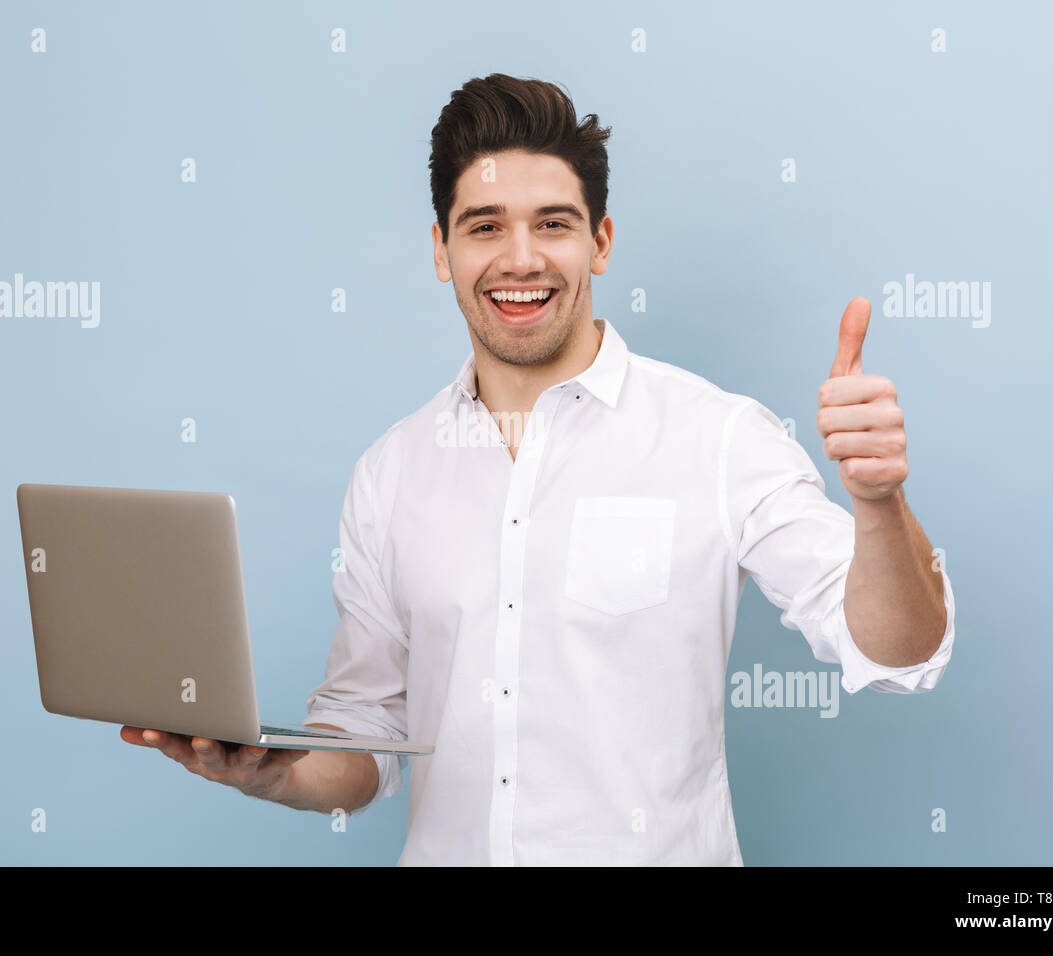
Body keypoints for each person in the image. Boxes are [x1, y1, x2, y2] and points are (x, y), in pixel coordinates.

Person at [123, 73, 956, 865]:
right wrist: (275, 769)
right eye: (484, 226)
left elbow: (896, 656)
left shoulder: (721, 437)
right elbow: (367, 736)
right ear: (443, 251)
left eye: (553, 224)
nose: (520, 259)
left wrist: (880, 506)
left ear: (600, 242)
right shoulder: (390, 472)